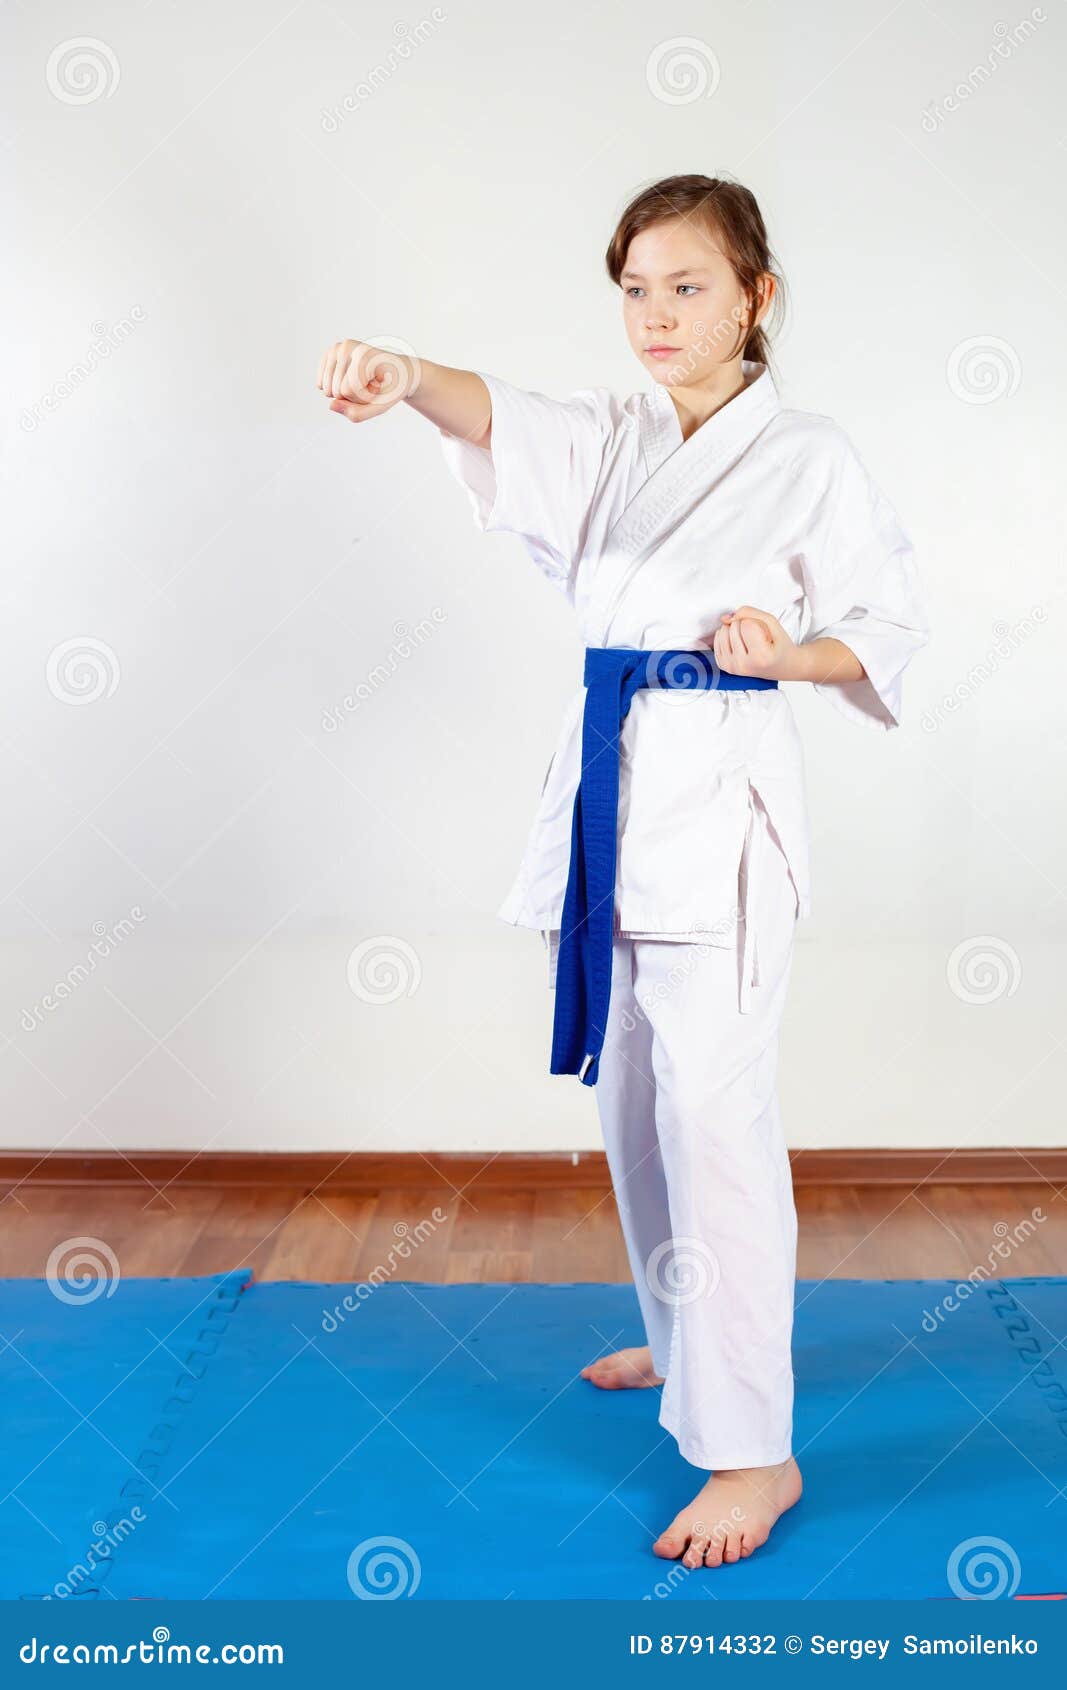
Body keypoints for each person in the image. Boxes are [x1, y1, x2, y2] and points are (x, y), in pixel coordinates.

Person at [315, 172, 929, 1570]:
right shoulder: (613, 432)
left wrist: (788, 651)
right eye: (636, 289)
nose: (657, 315)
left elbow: (887, 629)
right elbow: (499, 419)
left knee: (716, 1122)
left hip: (721, 808)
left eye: (689, 286)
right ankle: (680, 1339)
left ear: (756, 297)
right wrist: (406, 373)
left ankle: (754, 1450)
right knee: (639, 1103)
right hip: (605, 795)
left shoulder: (810, 454)